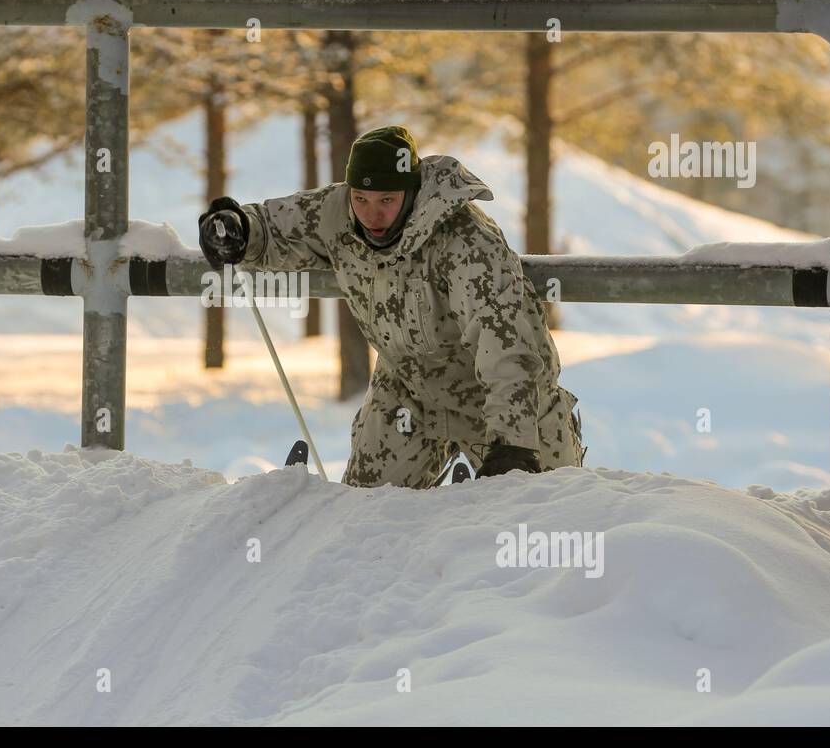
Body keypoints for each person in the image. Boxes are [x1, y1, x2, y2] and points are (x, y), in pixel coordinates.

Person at [197, 124, 585, 486]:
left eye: (387, 199)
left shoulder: (466, 241)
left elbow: (504, 344)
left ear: (413, 192)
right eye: (361, 198)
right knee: (367, 515)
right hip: (408, 394)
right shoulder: (339, 212)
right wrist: (237, 229)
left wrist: (513, 443)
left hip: (496, 400)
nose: (372, 214)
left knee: (540, 515)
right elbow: (275, 225)